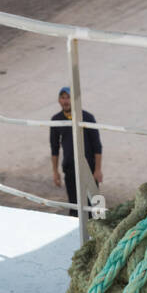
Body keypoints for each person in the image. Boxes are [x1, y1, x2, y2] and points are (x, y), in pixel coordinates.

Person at [50, 86, 103, 215]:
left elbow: (97, 146)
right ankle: (76, 231)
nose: (65, 101)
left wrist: (97, 170)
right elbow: (54, 148)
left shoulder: (87, 117)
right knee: (75, 206)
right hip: (70, 168)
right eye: (62, 98)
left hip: (89, 167)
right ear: (58, 100)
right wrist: (55, 172)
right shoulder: (56, 120)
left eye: (68, 97)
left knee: (96, 205)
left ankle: (102, 230)